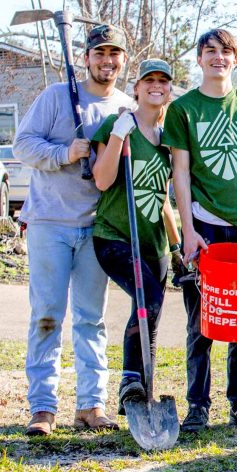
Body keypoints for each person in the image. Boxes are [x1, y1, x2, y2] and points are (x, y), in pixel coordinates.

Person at [15, 24, 134, 435]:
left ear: (123, 59)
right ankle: (43, 408)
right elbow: (23, 145)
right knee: (47, 315)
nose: (107, 60)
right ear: (86, 57)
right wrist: (64, 152)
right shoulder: (54, 96)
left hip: (95, 226)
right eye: (100, 53)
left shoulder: (125, 107)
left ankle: (91, 405)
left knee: (91, 319)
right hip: (50, 221)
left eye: (114, 53)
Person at [162, 28, 237, 432]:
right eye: (210, 51)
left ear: (236, 60)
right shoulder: (183, 110)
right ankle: (198, 405)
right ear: (199, 59)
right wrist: (188, 231)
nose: (218, 58)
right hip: (204, 226)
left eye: (225, 51)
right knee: (202, 321)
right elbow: (180, 171)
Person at [91, 59, 181, 415]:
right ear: (137, 88)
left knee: (151, 314)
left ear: (169, 90)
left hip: (153, 241)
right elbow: (101, 179)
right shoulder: (118, 125)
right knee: (149, 297)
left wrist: (175, 246)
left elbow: (161, 199)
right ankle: (130, 378)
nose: (156, 86)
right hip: (114, 235)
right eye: (149, 81)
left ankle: (142, 392)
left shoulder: (167, 140)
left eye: (163, 81)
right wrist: (118, 136)